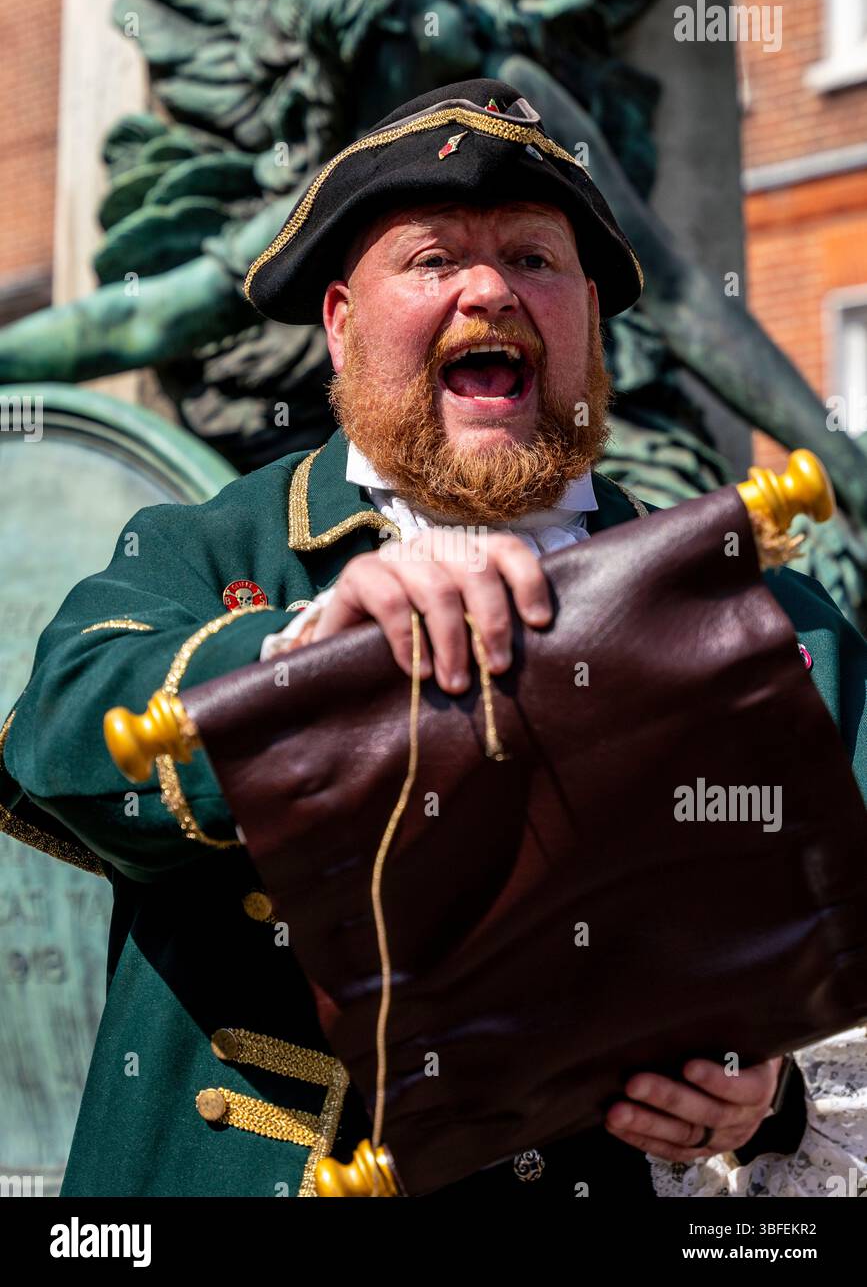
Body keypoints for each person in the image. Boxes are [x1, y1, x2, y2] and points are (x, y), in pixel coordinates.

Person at [1, 79, 864, 1198]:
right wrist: (302, 663)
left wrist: (767, 1099)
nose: (491, 289)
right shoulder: (210, 548)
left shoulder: (761, 616)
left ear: (589, 320)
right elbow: (54, 743)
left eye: (534, 258)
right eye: (431, 257)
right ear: (343, 325)